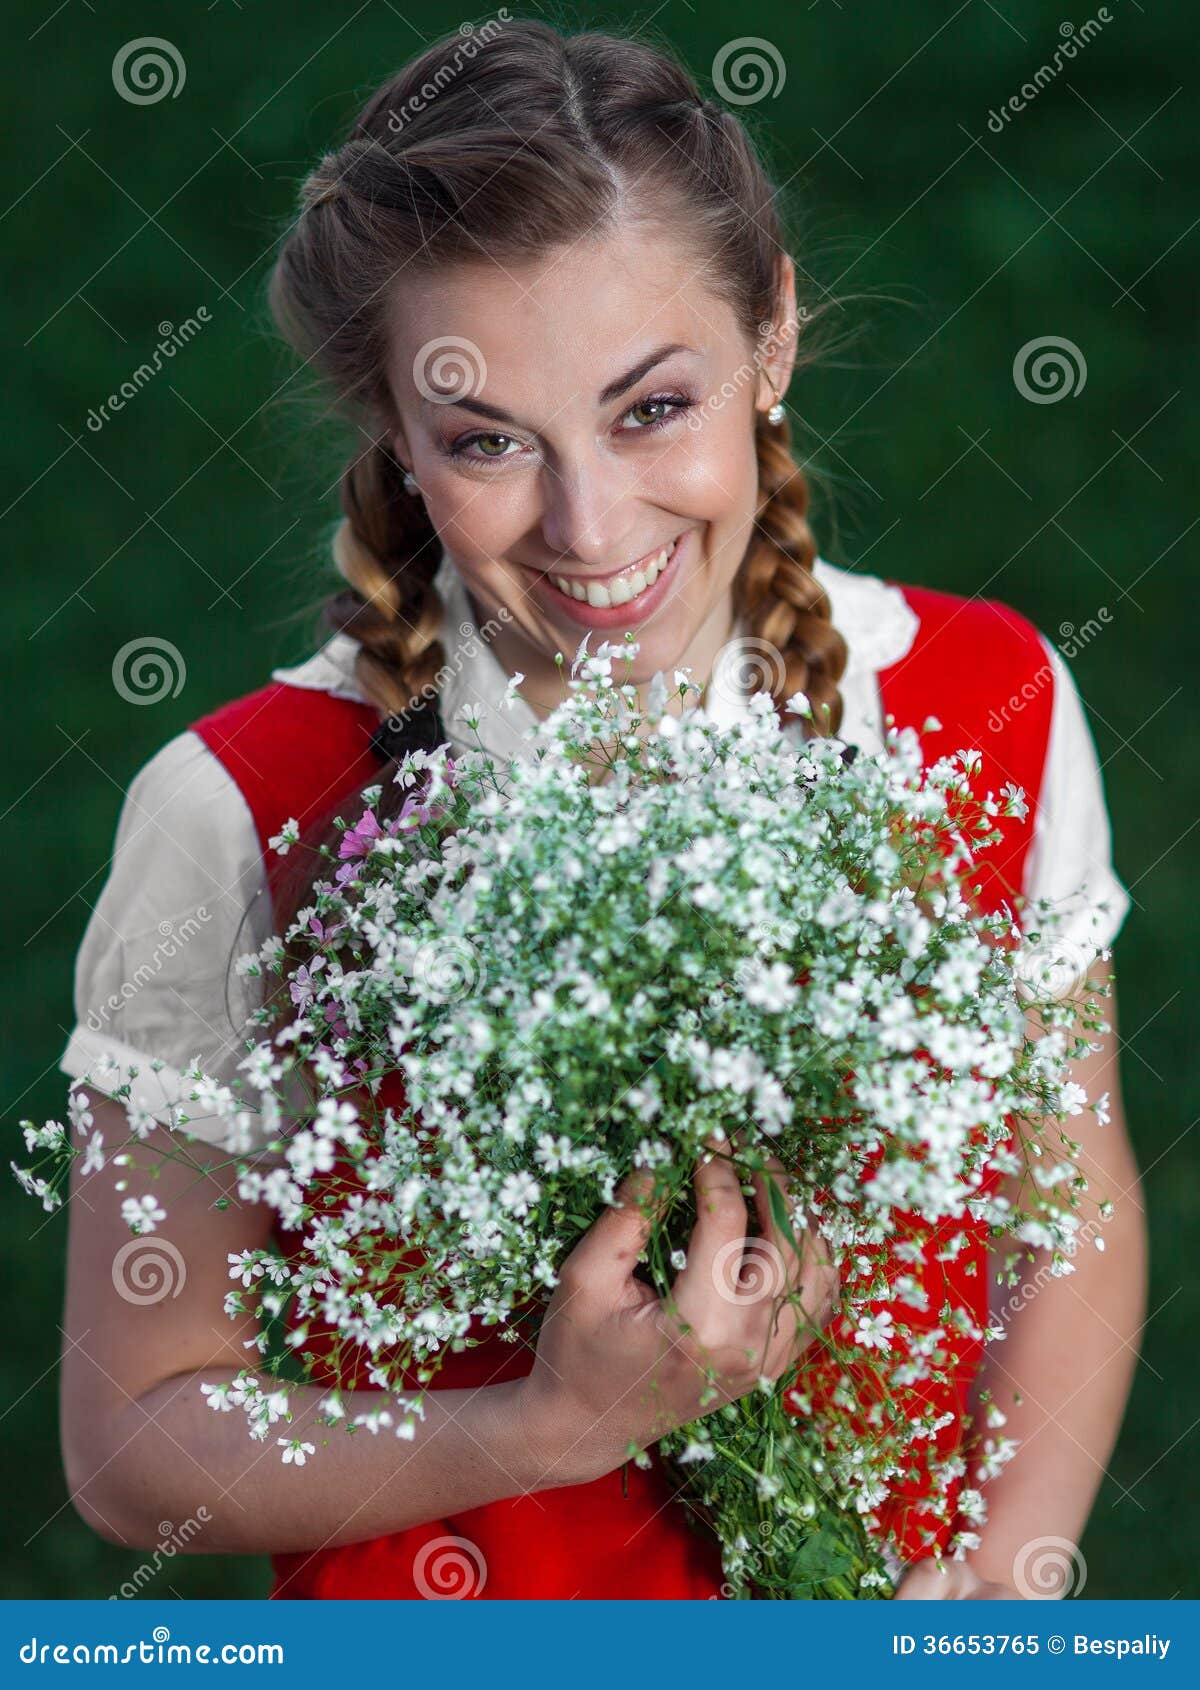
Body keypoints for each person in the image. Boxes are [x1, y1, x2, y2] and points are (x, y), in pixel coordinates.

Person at [57, 18, 1145, 1601]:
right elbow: (135, 1432)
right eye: (487, 440)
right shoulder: (237, 811)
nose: (589, 525)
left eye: (651, 410)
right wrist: (540, 1424)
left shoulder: (989, 704)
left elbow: (1072, 1191)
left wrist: (1008, 1574)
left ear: (772, 336)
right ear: (396, 435)